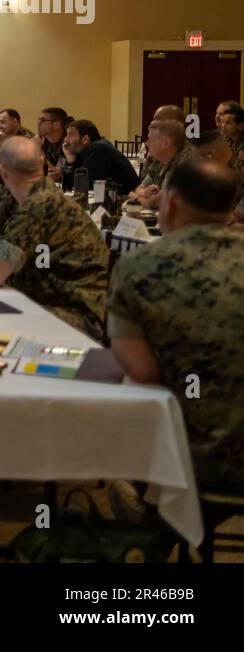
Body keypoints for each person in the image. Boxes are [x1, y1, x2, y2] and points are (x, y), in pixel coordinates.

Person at [108, 162, 244, 489]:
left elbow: (142, 370)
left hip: (194, 455)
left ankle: (150, 502)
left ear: (171, 202)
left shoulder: (139, 267)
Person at [0, 137, 109, 340]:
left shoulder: (39, 205)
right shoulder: (15, 200)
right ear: (41, 163)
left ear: (4, 172)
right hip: (43, 300)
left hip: (76, 315)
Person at [60, 118, 139, 195]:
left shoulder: (98, 149)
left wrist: (71, 163)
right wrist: (71, 161)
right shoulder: (86, 150)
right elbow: (73, 185)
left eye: (70, 135)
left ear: (85, 139)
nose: (65, 140)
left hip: (126, 200)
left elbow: (84, 185)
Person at [130, 118, 192, 208]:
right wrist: (144, 193)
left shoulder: (183, 163)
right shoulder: (159, 160)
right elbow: (139, 188)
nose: (147, 143)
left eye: (150, 139)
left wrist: (136, 198)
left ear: (165, 143)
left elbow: (158, 202)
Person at [138, 104, 186, 180]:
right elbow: (142, 182)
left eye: (157, 119)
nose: (152, 122)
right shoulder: (158, 152)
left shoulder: (186, 159)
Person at [33, 106, 68, 182]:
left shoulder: (67, 142)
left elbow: (54, 175)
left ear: (56, 125)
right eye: (38, 120)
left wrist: (38, 151)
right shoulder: (41, 141)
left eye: (42, 120)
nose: (38, 123)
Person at [218, 101, 244, 179]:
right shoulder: (227, 139)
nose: (223, 127)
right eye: (222, 122)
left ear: (240, 126)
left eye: (228, 123)